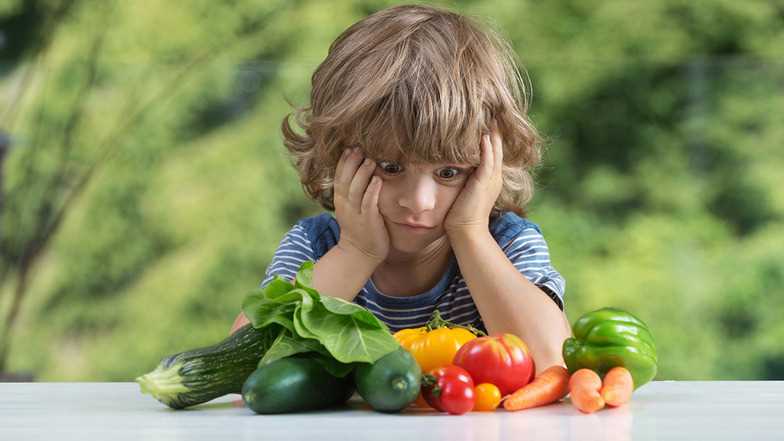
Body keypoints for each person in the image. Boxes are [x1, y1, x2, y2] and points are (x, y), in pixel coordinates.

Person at [230, 4, 571, 372]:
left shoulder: (506, 244)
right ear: (337, 152)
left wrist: (470, 234)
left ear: (489, 163)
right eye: (391, 167)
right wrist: (356, 252)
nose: (418, 201)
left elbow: (553, 363)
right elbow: (243, 367)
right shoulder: (314, 248)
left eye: (449, 172)